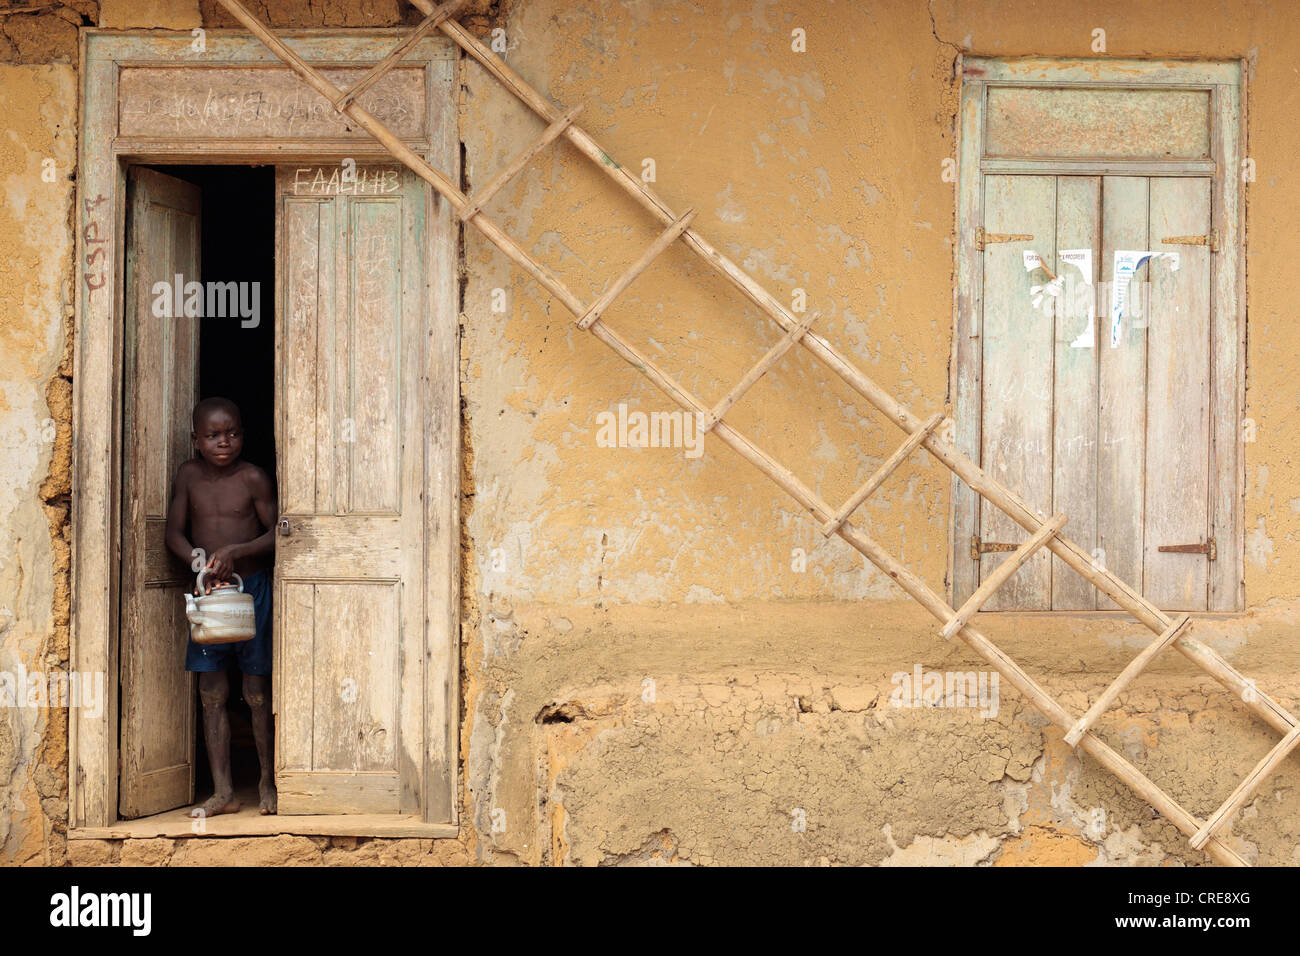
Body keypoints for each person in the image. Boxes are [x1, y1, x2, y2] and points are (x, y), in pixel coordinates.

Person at [165, 396, 278, 817]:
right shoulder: (188, 477)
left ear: (243, 436)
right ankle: (224, 791)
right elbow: (174, 532)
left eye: (231, 433)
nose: (223, 442)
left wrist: (235, 549)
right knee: (211, 692)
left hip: (252, 592)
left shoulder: (253, 478)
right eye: (213, 435)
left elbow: (278, 532)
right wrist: (199, 560)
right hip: (209, 594)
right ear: (196, 440)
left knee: (255, 691)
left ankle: (267, 783)